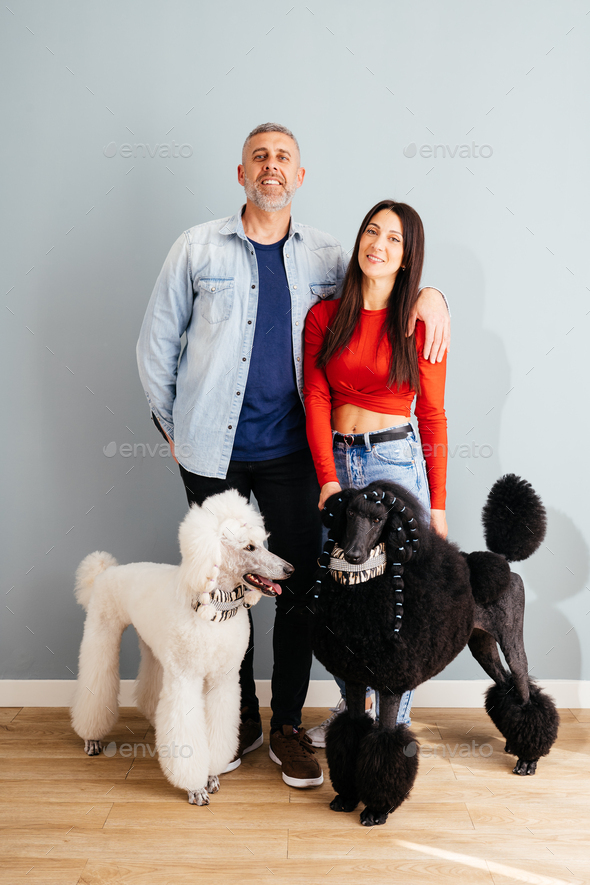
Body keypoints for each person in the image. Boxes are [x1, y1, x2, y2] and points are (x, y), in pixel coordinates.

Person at [137, 125, 450, 790]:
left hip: (293, 454)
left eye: (283, 158)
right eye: (260, 157)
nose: (271, 167)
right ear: (241, 171)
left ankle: (286, 724)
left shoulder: (330, 254)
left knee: (300, 589)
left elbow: (385, 285)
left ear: (300, 177)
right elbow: (156, 342)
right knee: (224, 594)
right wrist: (171, 424)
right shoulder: (196, 247)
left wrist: (432, 296)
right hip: (212, 451)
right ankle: (238, 720)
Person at [303, 199, 448, 747]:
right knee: (341, 591)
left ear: (408, 258)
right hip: (338, 460)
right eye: (371, 231)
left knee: (398, 598)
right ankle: (353, 714)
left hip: (396, 462)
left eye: (394, 239)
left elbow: (432, 415)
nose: (378, 245)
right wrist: (328, 478)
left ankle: (394, 726)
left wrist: (436, 505)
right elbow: (316, 397)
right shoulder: (324, 316)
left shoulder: (418, 323)